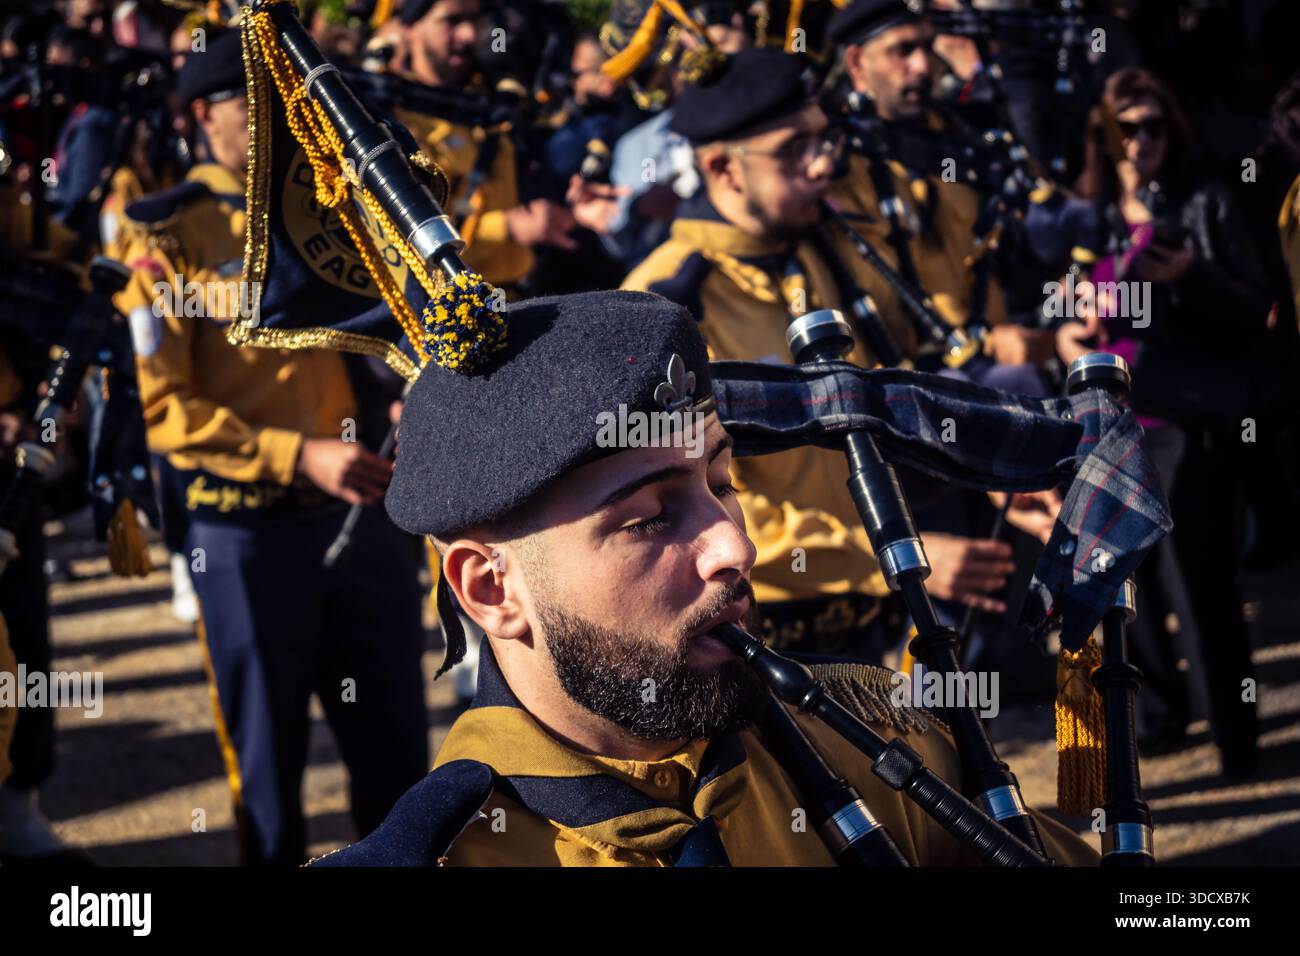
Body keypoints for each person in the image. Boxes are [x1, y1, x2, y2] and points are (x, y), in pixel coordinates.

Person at [309, 288, 1097, 867]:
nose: (735, 547)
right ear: (491, 589)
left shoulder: (878, 742)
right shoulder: (445, 855)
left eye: (724, 484)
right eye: (649, 518)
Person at [112, 30, 429, 864]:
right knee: (267, 770)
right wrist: (296, 453)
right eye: (245, 101)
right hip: (245, 536)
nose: (268, 117)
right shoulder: (167, 235)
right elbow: (164, 410)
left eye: (276, 98)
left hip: (364, 518)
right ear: (197, 117)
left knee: (400, 759)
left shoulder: (332, 200)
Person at [623, 48, 1028, 659]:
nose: (822, 166)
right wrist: (883, 553)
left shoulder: (822, 251)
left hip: (871, 607)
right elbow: (685, 507)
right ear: (724, 170)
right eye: (793, 149)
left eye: (824, 140)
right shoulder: (665, 307)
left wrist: (992, 463)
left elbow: (902, 380)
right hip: (756, 627)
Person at [1060, 66, 1269, 776]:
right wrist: (1068, 328)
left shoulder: (1203, 200)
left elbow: (1256, 307)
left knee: (1198, 582)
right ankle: (1158, 721)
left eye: (1155, 124)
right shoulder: (1087, 214)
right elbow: (1052, 308)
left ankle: (1236, 742)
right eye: (1128, 127)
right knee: (1120, 582)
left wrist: (1190, 278)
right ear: (1104, 134)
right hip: (1108, 421)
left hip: (1186, 420)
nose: (1143, 139)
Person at [394, 0, 577, 293]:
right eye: (450, 21)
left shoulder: (492, 102)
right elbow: (404, 236)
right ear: (410, 28)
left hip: (520, 296)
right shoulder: (393, 120)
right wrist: (509, 227)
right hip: (451, 310)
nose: (468, 35)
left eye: (473, 20)